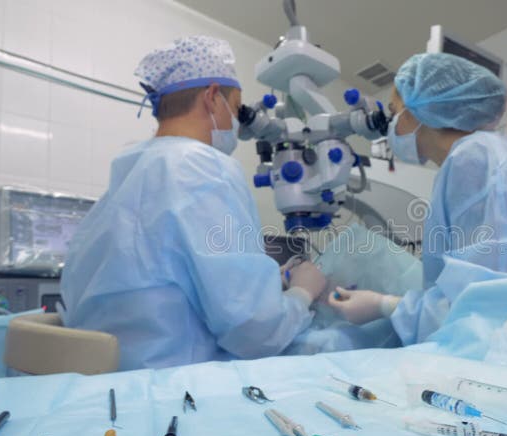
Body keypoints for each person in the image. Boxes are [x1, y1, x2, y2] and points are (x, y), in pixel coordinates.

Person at [61, 36, 326, 370]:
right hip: (176, 388)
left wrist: (268, 284)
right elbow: (255, 331)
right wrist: (302, 293)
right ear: (212, 97)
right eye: (236, 107)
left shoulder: (127, 172)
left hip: (110, 381)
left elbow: (164, 278)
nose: (235, 122)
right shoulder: (204, 169)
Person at [327, 53, 507, 344]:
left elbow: (481, 308)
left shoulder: (471, 159)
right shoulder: (488, 154)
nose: (391, 126)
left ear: (418, 111)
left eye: (394, 111)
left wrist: (383, 305)